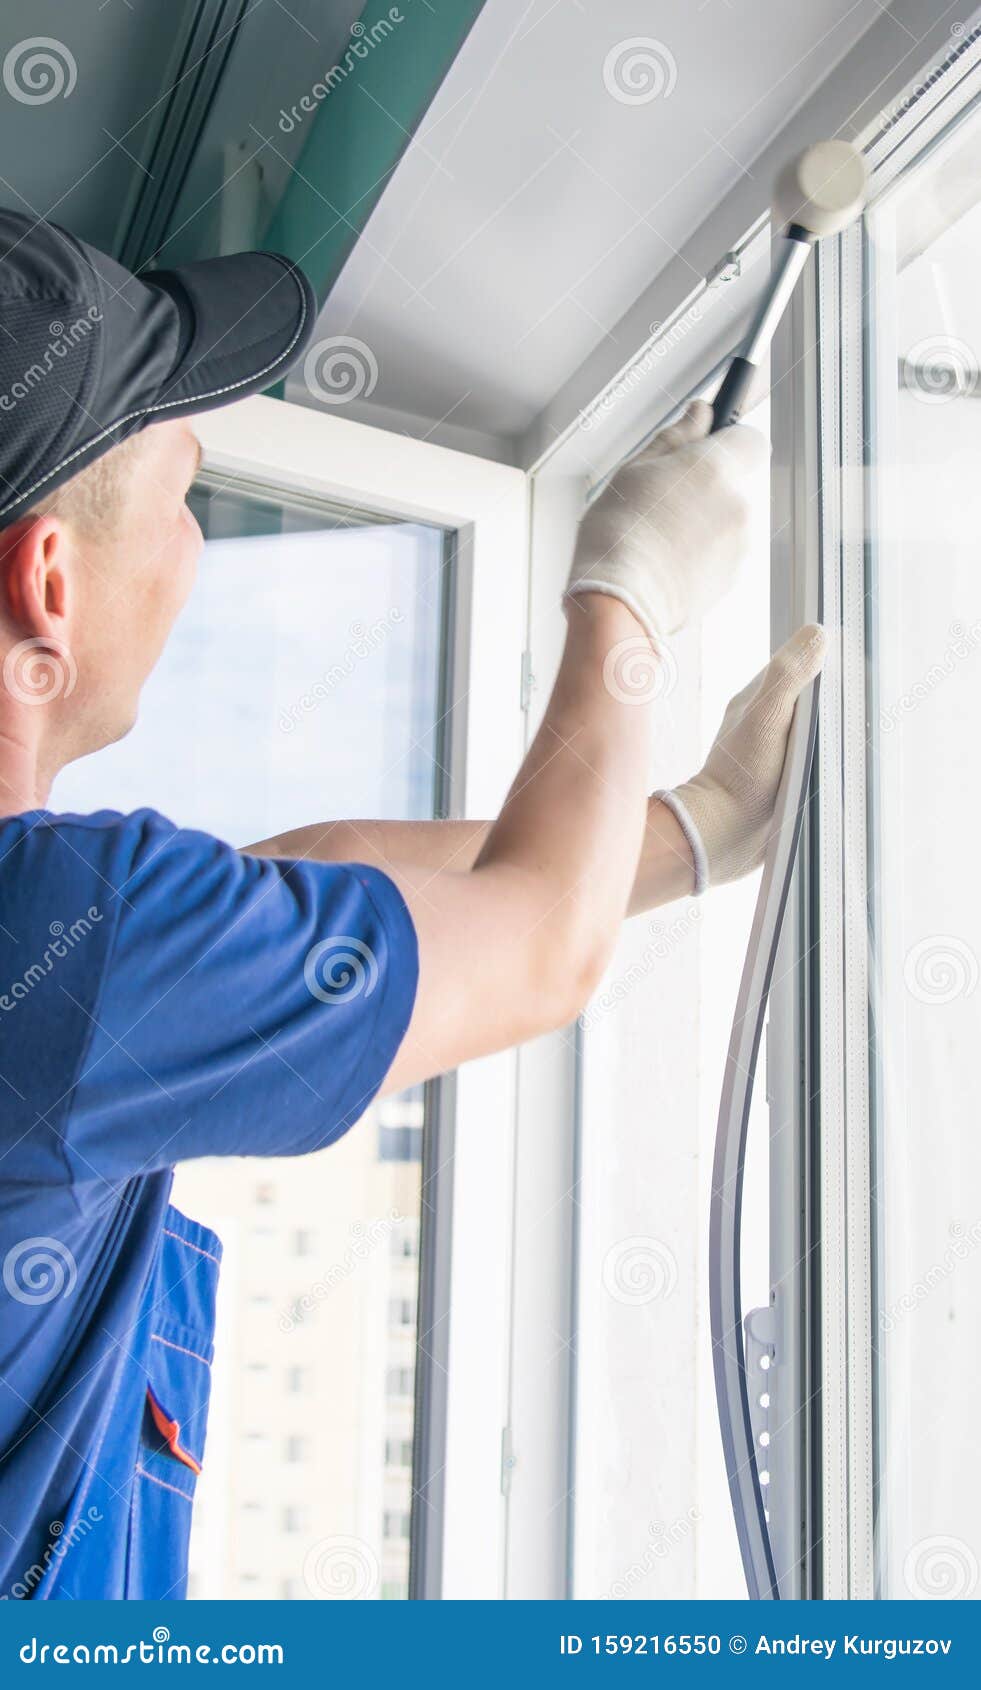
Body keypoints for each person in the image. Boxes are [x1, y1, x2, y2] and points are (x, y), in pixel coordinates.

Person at [0, 208, 824, 1600]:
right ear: (49, 577)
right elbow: (533, 956)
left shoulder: (67, 941)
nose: (194, 543)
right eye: (185, 489)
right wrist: (623, 596)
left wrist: (685, 827)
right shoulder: (65, 936)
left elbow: (288, 887)